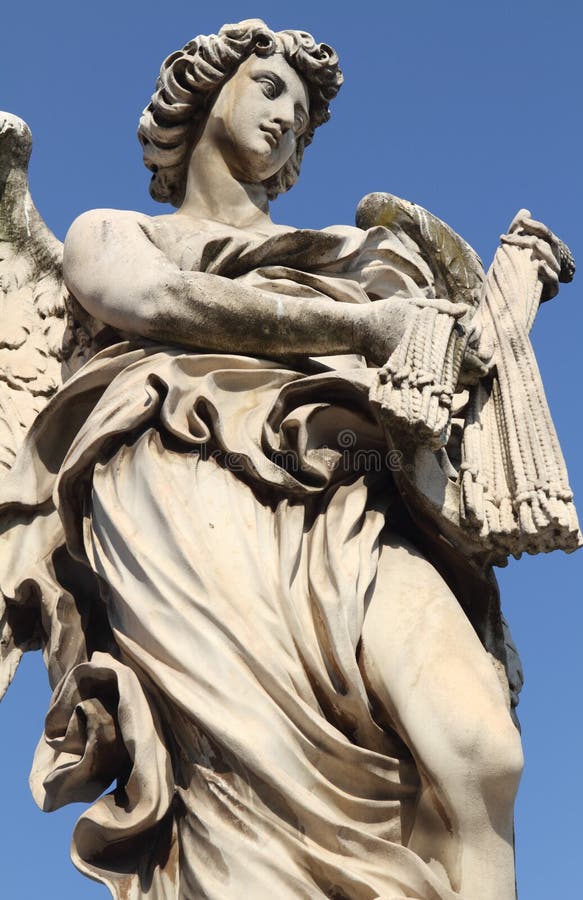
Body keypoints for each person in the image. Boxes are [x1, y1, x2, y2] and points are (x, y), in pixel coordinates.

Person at [0, 20, 523, 900]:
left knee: (480, 749)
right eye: (271, 89)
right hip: (177, 487)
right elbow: (150, 297)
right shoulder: (116, 230)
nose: (289, 118)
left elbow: (442, 399)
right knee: (248, 784)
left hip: (346, 495)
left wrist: (490, 321)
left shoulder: (354, 260)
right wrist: (364, 327)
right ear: (204, 94)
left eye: (306, 114)